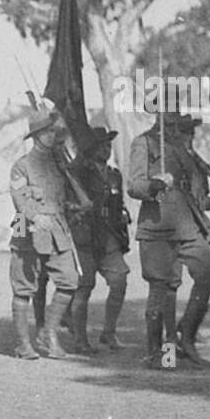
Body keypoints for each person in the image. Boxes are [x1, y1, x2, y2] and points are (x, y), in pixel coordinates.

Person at [127, 108, 210, 367]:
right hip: (157, 226)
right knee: (161, 288)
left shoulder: (183, 148)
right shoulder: (143, 143)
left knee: (207, 270)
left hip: (188, 225)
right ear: (157, 115)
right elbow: (134, 185)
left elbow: (196, 189)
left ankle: (186, 335)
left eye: (175, 113)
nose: (172, 119)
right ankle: (156, 352)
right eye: (167, 114)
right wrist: (154, 184)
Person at [9, 110, 79, 360]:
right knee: (23, 288)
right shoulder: (21, 165)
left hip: (57, 229)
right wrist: (34, 215)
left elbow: (64, 196)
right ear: (37, 135)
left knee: (69, 280)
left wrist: (72, 207)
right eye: (48, 132)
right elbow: (19, 197)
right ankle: (22, 343)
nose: (52, 136)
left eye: (54, 132)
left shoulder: (59, 164)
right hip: (26, 229)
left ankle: (47, 334)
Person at [67, 126, 130, 353]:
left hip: (108, 235)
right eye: (101, 145)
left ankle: (109, 333)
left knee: (120, 278)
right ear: (90, 148)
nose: (106, 148)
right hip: (84, 234)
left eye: (108, 144)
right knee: (84, 286)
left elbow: (118, 204)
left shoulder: (114, 175)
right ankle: (80, 340)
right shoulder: (79, 172)